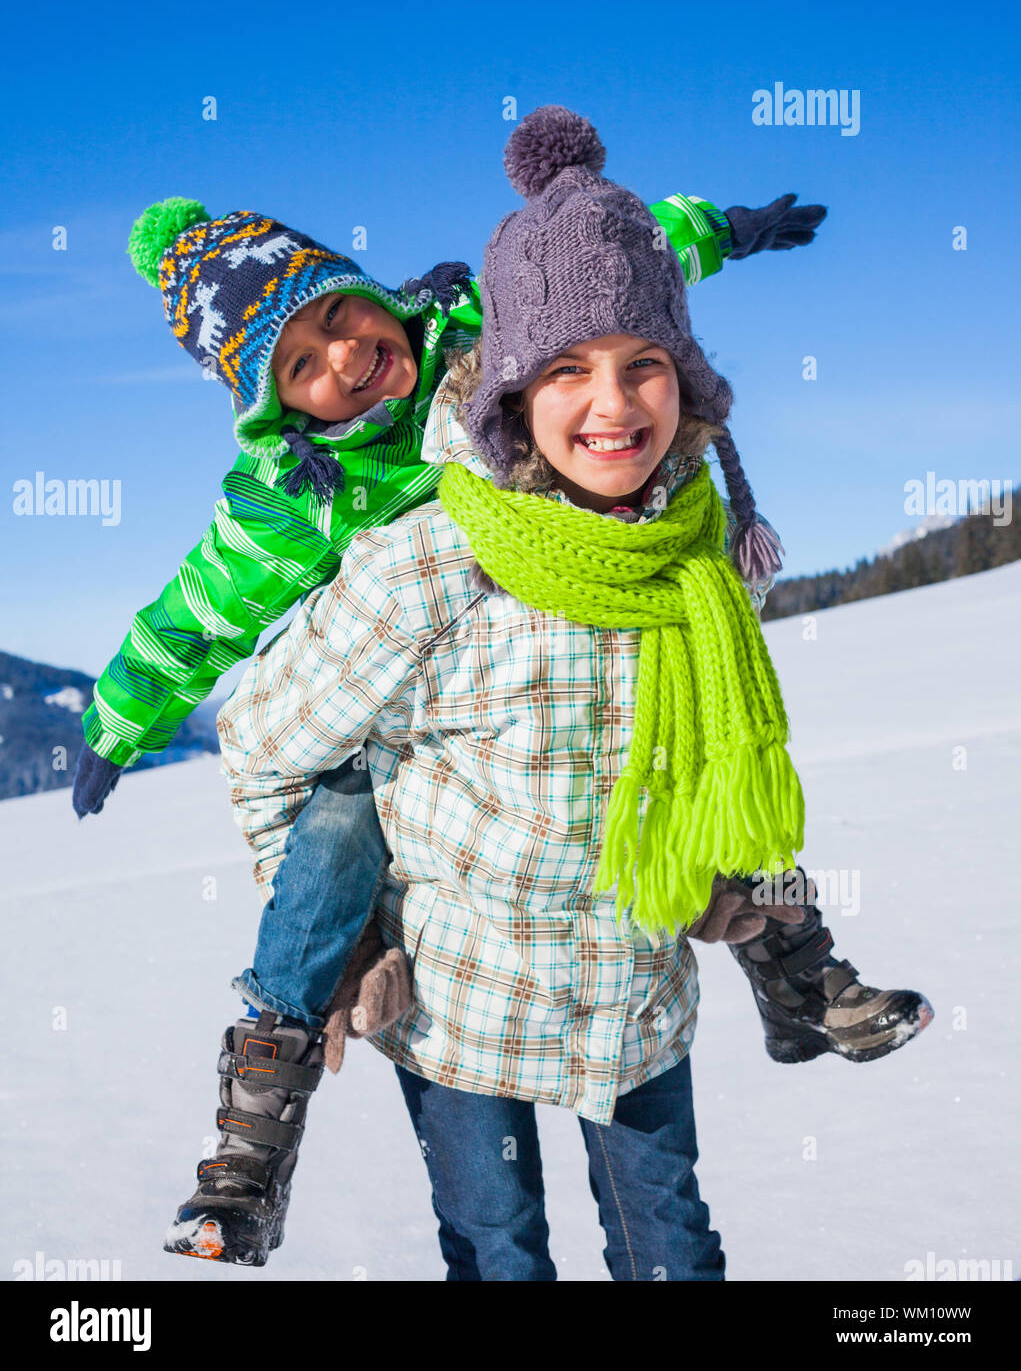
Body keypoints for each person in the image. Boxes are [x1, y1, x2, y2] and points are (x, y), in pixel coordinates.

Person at [212, 106, 929, 1280]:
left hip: (634, 995)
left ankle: (810, 981)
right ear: (508, 396)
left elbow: (713, 766)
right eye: (566, 369)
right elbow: (261, 740)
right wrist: (331, 940)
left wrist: (724, 882)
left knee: (676, 1249)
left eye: (642, 364)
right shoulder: (431, 558)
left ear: (684, 385)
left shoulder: (697, 557)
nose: (612, 403)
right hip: (457, 1004)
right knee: (500, 1252)